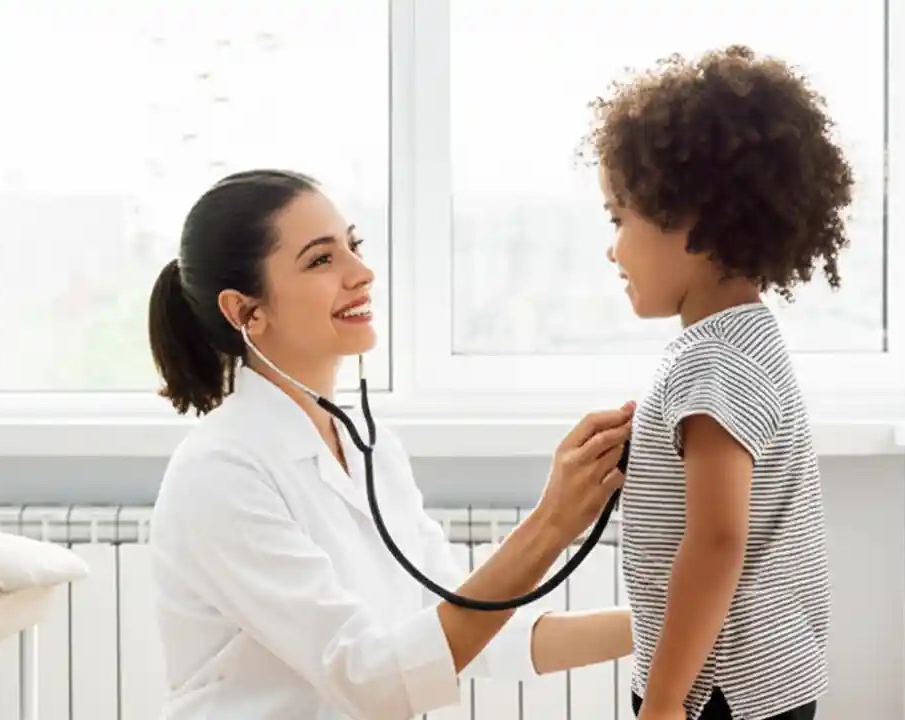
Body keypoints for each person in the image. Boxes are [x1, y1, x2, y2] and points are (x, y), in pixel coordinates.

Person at [146, 169, 635, 719]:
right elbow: (373, 681)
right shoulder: (221, 471)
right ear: (246, 312)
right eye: (321, 259)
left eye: (353, 245)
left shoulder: (369, 449)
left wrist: (667, 624)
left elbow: (472, 629)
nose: (363, 272)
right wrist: (552, 523)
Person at [584, 46, 844, 720]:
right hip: (767, 676)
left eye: (618, 219)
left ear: (691, 220)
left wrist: (664, 701)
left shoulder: (713, 362)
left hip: (719, 688)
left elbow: (718, 541)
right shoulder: (744, 343)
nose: (612, 248)